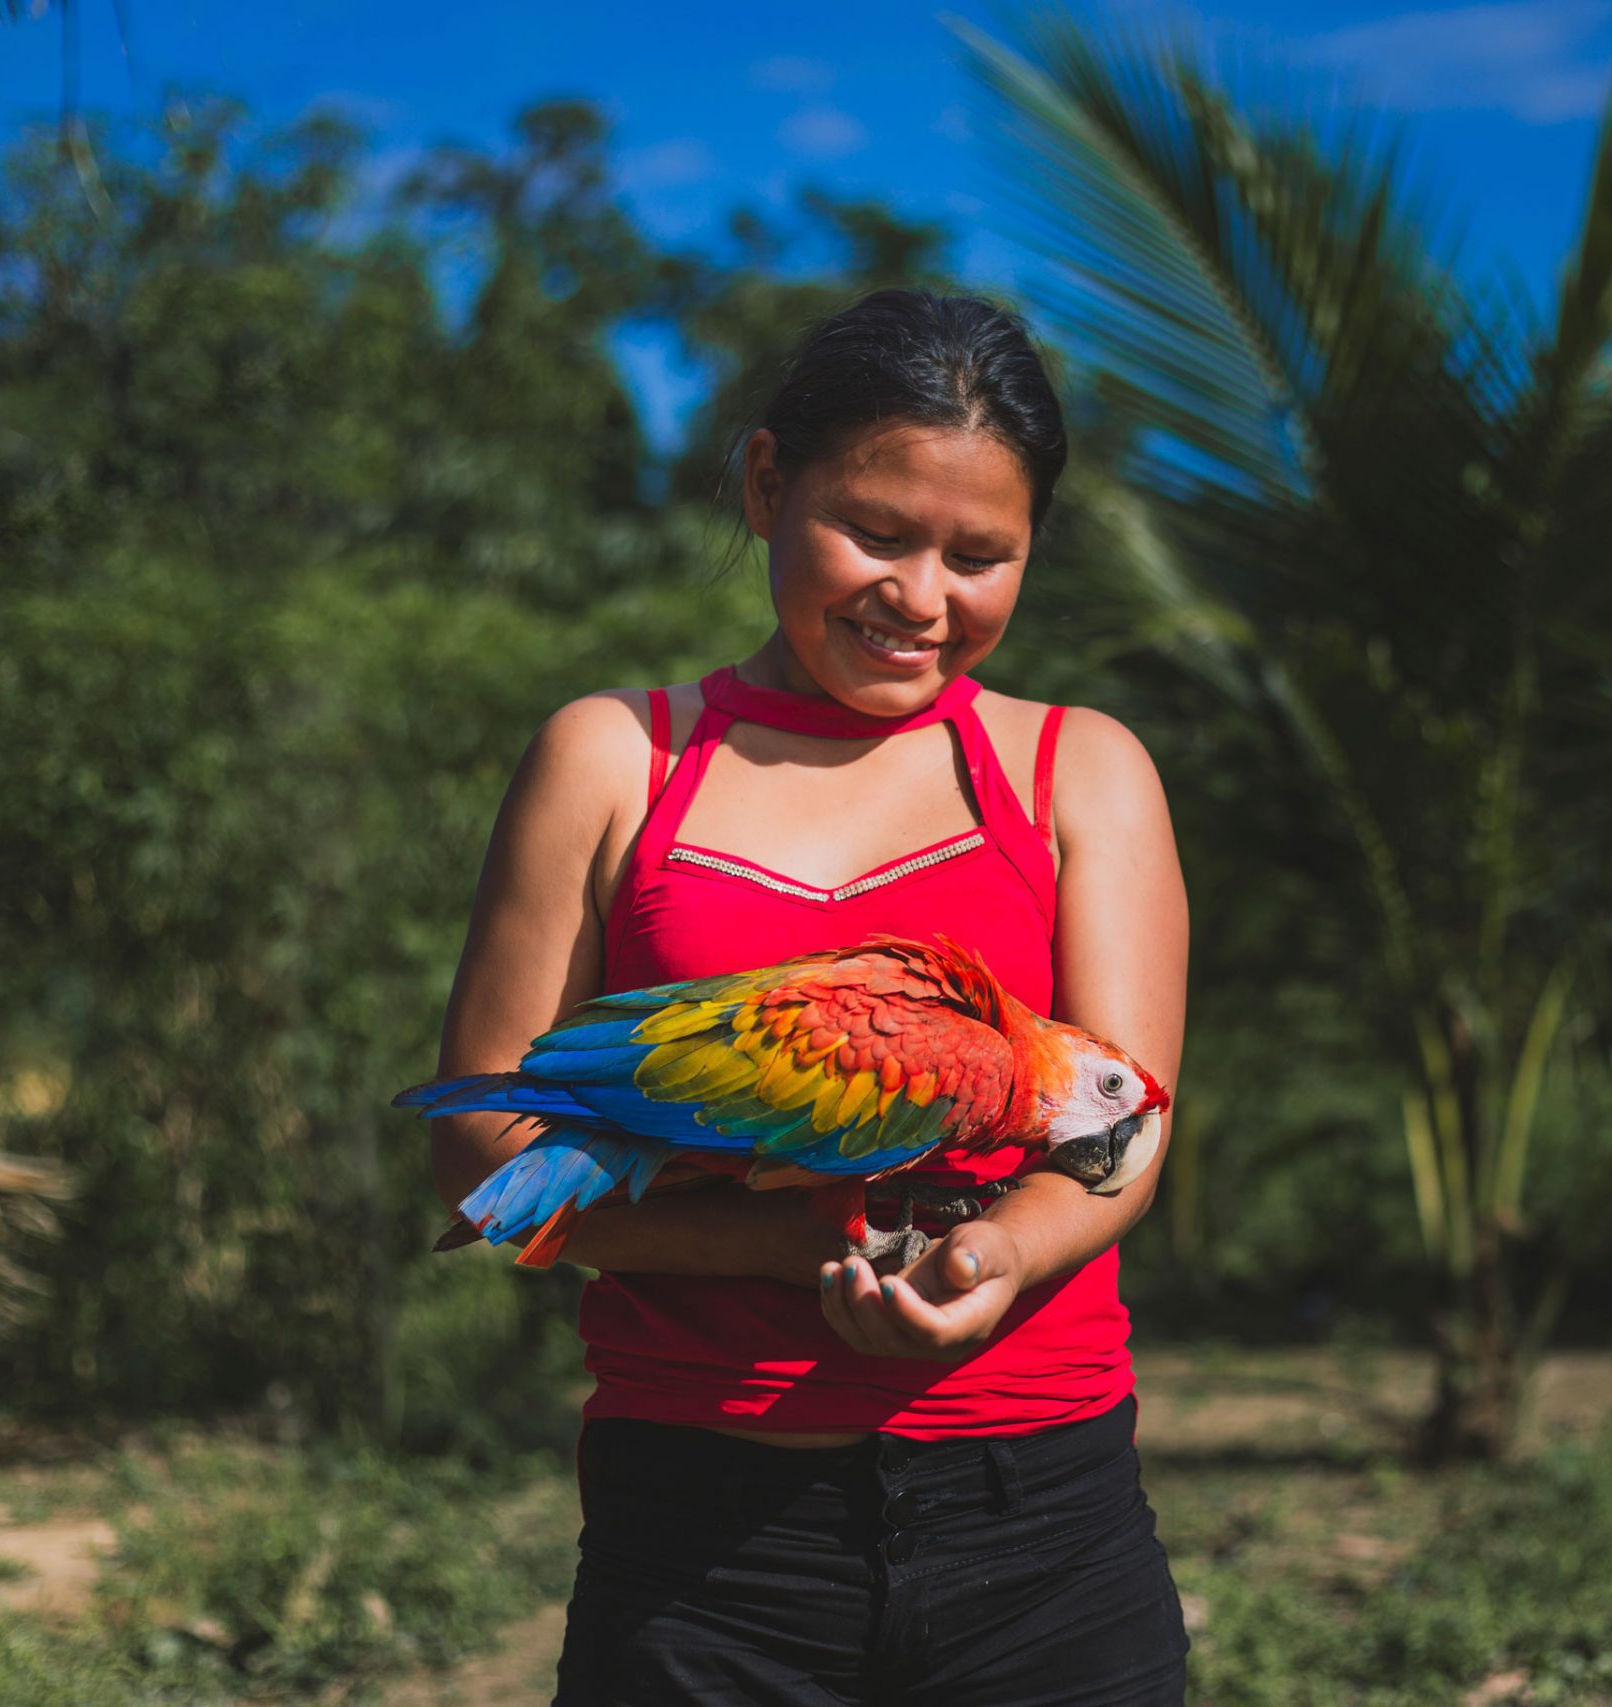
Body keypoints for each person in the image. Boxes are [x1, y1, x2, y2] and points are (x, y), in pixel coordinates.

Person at [425, 288, 1193, 1705]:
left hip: (1044, 1532)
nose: (921, 598)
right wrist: (782, 1253)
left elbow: (1125, 1135)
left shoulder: (1081, 770)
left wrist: (994, 1263)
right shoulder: (614, 758)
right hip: (706, 1543)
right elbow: (483, 1160)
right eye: (878, 532)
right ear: (768, 483)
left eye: (983, 555)